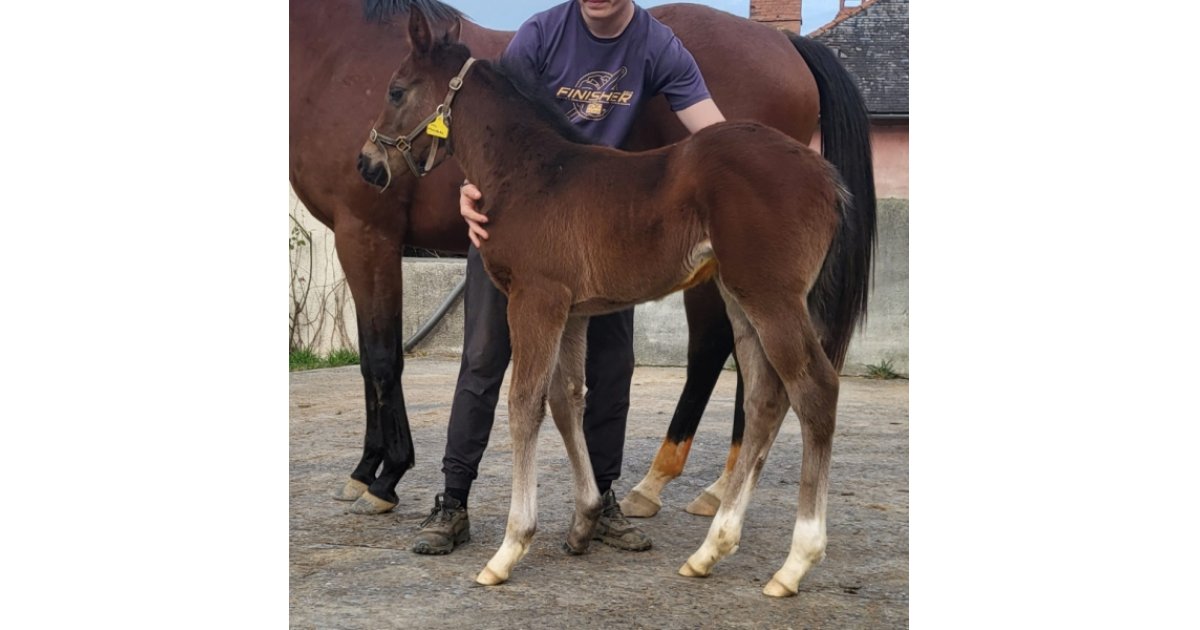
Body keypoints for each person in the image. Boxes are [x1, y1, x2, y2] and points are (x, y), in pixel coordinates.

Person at [413, 0, 726, 555]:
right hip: (514, 216)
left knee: (612, 364)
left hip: (597, 225)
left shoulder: (657, 44)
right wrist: (468, 187)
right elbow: (488, 122)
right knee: (485, 357)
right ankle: (453, 501)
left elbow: (717, 134)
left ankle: (599, 500)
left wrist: (751, 177)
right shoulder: (541, 35)